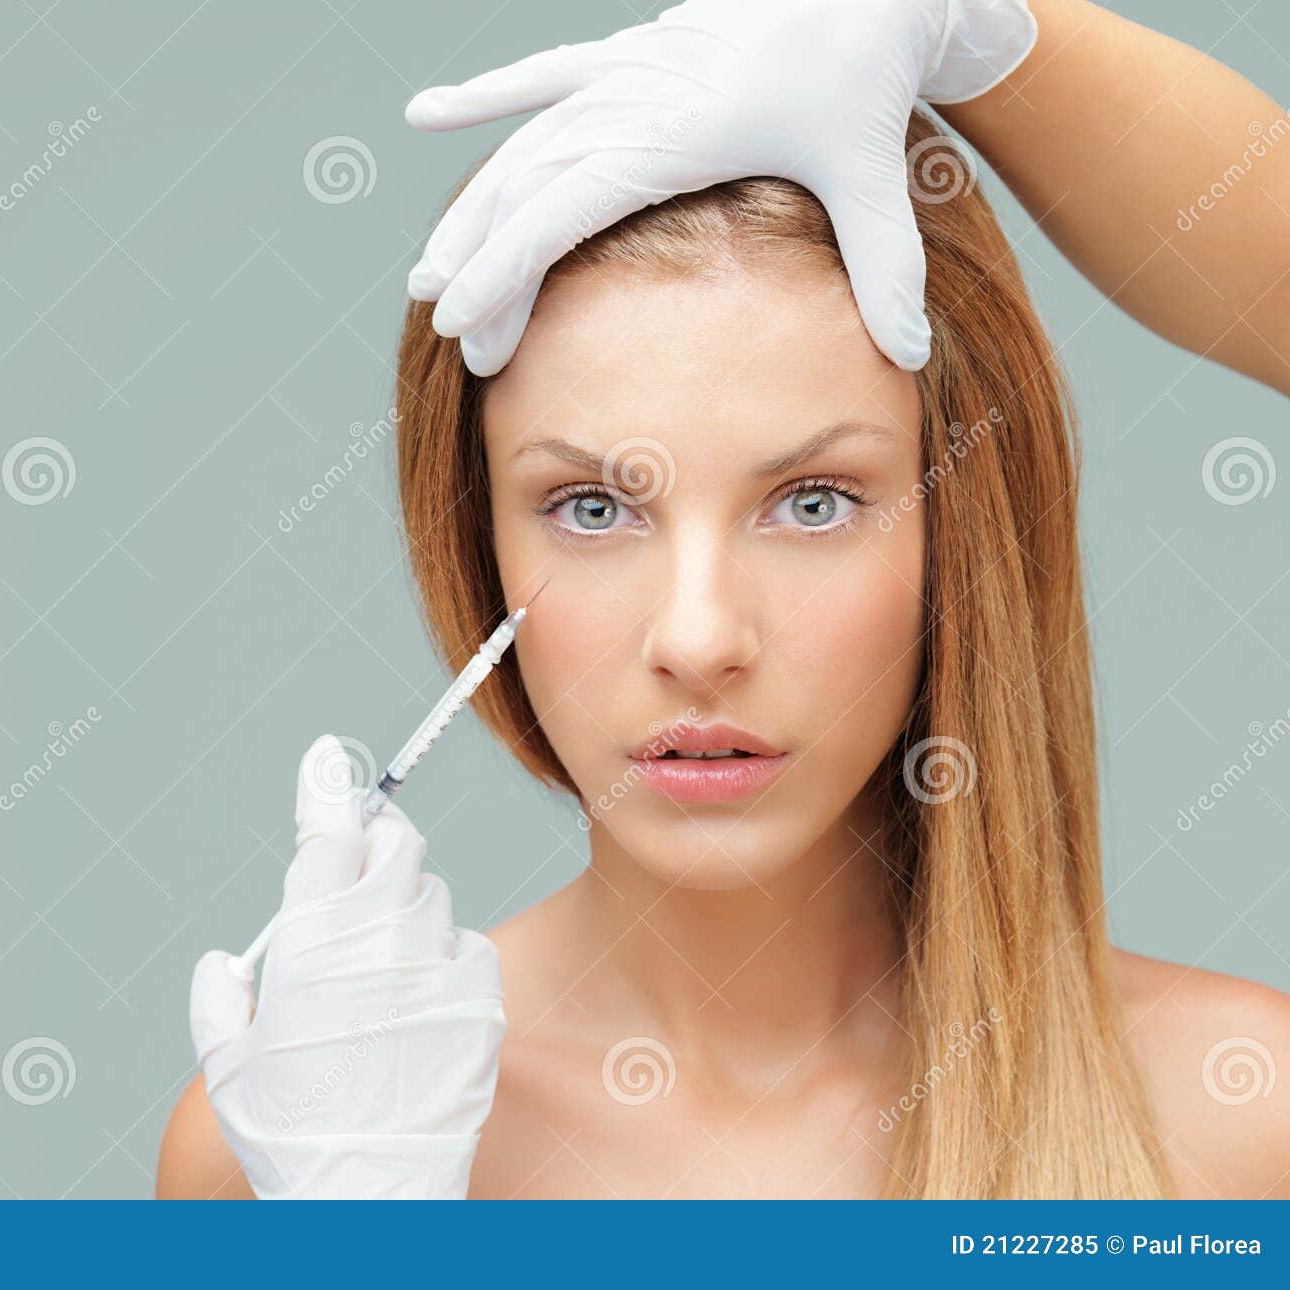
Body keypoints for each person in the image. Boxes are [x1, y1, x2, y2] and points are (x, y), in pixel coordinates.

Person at [159, 0, 1290, 1199]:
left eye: (812, 503)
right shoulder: (291, 1144)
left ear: (965, 527)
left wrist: (975, 16)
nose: (698, 639)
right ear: (473, 540)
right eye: (592, 509)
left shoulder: (1238, 1122)